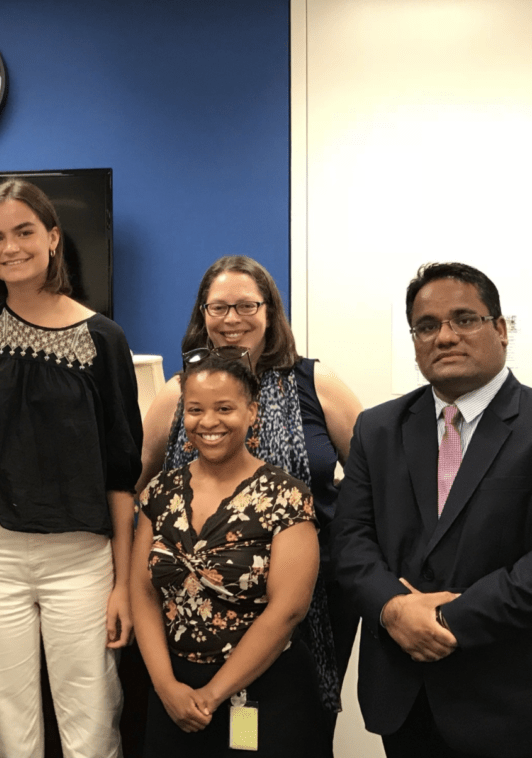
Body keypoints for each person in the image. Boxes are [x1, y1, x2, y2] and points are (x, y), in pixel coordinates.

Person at [0, 178, 143, 758]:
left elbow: (121, 473)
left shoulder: (105, 339)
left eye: (24, 231)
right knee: (5, 723)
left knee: (92, 716)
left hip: (81, 558)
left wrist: (123, 585)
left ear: (53, 237)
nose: (11, 247)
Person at [137, 255, 362, 706]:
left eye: (246, 306)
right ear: (203, 314)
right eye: (218, 307)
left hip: (308, 599)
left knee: (296, 723)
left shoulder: (318, 383)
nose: (231, 319)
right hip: (192, 610)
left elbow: (373, 480)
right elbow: (139, 486)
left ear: (270, 311)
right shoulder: (177, 394)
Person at [331, 262, 532, 758]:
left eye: (465, 319)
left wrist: (446, 619)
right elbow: (351, 542)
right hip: (403, 693)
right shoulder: (377, 429)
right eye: (427, 326)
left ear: (501, 329)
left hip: (508, 695)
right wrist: (393, 609)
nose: (445, 336)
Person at [131, 348, 329, 756]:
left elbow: (288, 609)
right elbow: (142, 591)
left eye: (224, 408)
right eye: (195, 409)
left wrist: (213, 694)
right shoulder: (160, 492)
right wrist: (166, 687)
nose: (208, 422)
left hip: (263, 689)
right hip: (174, 687)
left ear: (252, 412)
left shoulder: (287, 496)